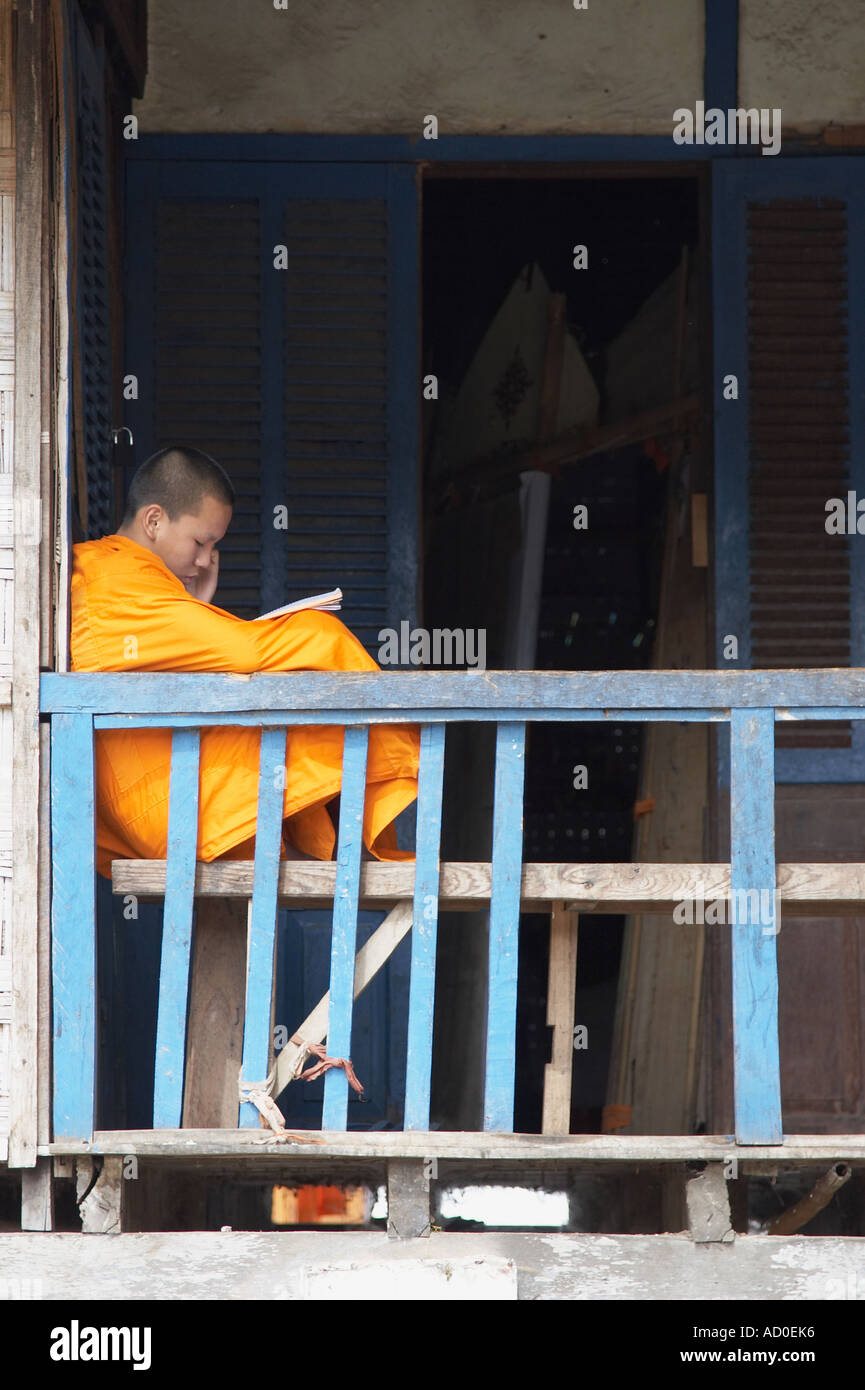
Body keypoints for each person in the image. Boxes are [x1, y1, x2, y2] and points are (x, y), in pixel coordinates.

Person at [71, 445, 419, 877]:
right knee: (319, 638)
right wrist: (315, 630)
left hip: (160, 793)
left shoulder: (117, 573)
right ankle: (355, 845)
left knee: (309, 723)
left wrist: (192, 603)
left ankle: (346, 844)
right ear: (154, 520)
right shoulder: (115, 578)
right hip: (166, 804)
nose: (203, 560)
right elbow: (244, 652)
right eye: (201, 542)